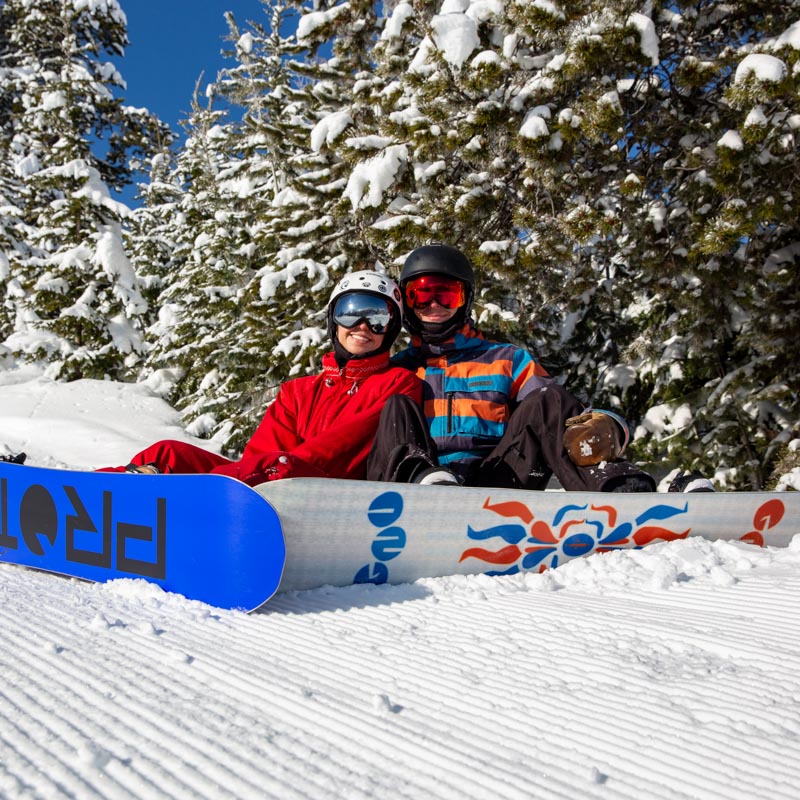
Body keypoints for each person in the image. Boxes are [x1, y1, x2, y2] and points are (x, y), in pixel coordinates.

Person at [366, 244, 712, 493]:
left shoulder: (505, 359)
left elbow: (564, 419)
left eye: (447, 294)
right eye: (421, 296)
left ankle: (621, 491)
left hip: (496, 483)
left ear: (466, 300)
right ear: (407, 303)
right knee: (396, 406)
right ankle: (418, 493)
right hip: (415, 490)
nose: (435, 305)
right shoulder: (395, 371)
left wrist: (608, 425)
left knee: (549, 398)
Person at [92, 270, 423, 485]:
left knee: (255, 469)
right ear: (333, 321)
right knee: (167, 454)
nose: (362, 327)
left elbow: (328, 455)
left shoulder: (398, 384)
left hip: (326, 497)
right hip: (273, 482)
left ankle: (153, 496)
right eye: (351, 312)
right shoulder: (299, 391)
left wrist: (217, 482)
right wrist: (251, 473)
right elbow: (259, 459)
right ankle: (117, 501)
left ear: (390, 330)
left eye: (378, 318)